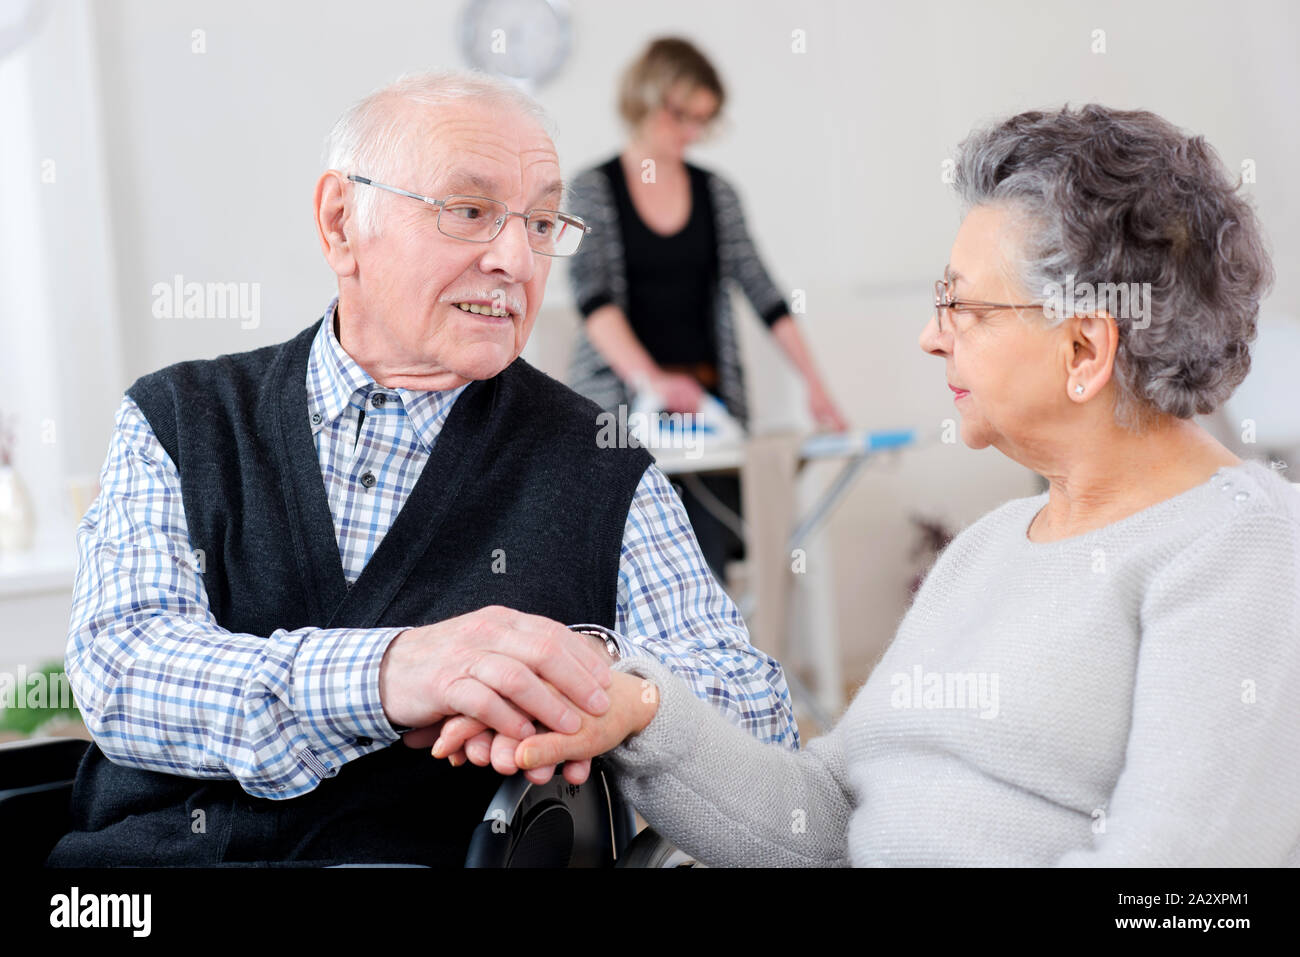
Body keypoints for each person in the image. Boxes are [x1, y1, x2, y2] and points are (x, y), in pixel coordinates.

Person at [438, 104, 1300, 866]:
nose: (932, 336)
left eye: (962, 306)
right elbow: (827, 814)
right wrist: (636, 709)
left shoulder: (1243, 552)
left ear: (1084, 349)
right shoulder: (992, 547)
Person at [50, 71, 796, 868]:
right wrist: (391, 672)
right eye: (469, 211)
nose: (516, 260)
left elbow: (762, 721)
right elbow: (121, 669)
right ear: (341, 222)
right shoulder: (180, 418)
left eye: (542, 222)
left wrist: (606, 679)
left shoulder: (602, 463)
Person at [566, 37, 847, 581]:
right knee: (625, 563)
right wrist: (651, 381)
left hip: (706, 412)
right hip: (621, 413)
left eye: (703, 120)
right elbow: (592, 299)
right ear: (646, 98)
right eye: (680, 116)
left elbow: (764, 292)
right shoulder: (593, 191)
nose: (690, 133)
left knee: (708, 557)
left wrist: (816, 386)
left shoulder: (716, 194)